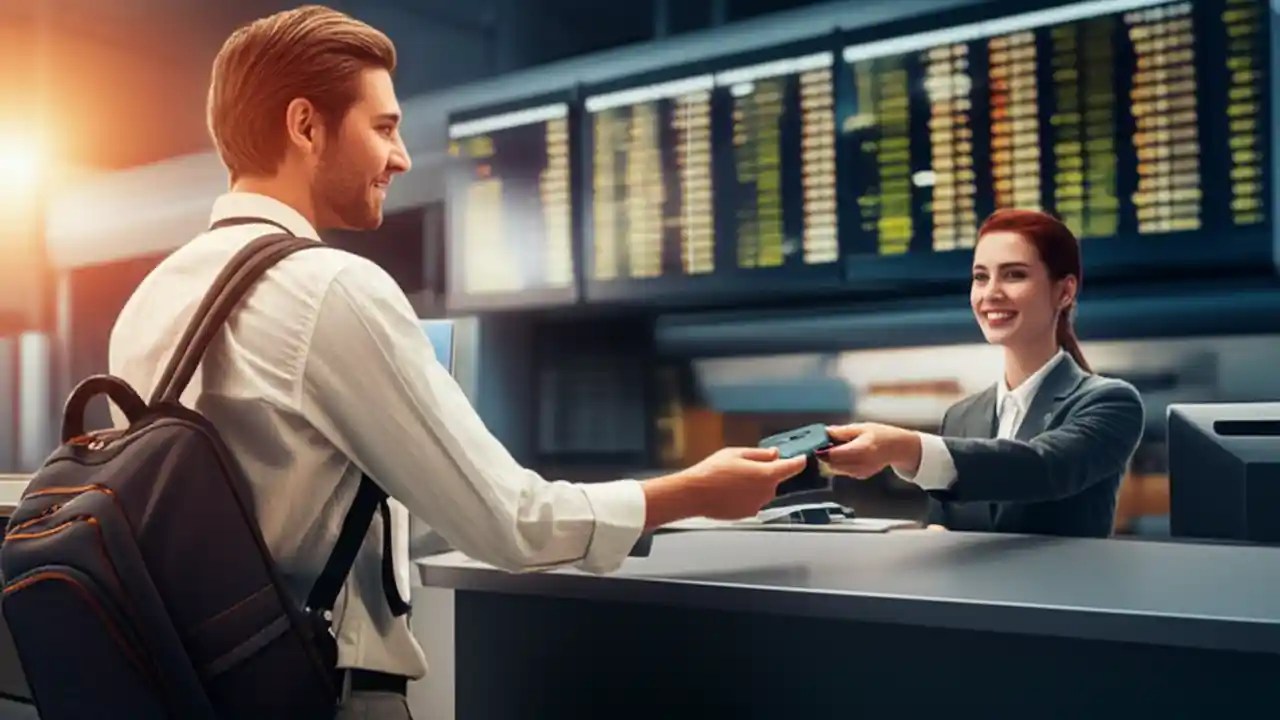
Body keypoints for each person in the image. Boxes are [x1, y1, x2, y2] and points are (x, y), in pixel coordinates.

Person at [106, 6, 805, 718]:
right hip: (320, 694)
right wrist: (690, 492)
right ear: (306, 126)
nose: (402, 157)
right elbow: (511, 524)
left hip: (199, 687)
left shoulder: (150, 300)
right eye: (383, 128)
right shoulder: (332, 288)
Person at [818, 209, 1144, 538]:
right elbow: (942, 528)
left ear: (1065, 292)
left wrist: (905, 447)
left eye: (1014, 275)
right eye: (980, 277)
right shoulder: (961, 416)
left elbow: (1044, 468)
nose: (990, 293)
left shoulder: (1109, 403)